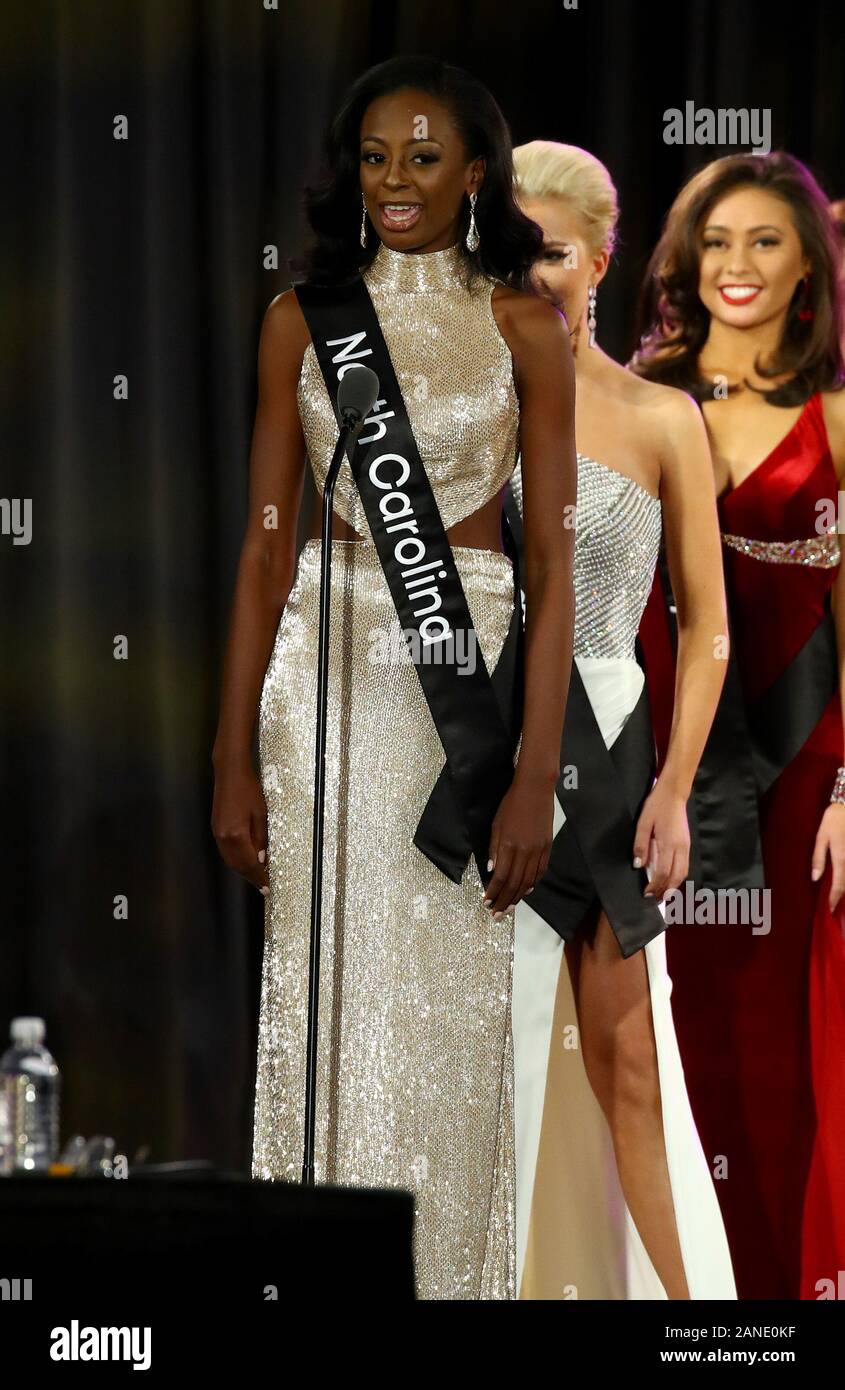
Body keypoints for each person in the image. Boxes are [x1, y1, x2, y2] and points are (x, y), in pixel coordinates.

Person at [210, 57, 576, 1301]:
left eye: (424, 158)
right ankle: (315, 1291)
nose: (395, 183)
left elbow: (553, 563)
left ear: (476, 172)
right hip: (323, 683)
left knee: (442, 1019)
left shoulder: (526, 324)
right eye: (374, 158)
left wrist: (534, 774)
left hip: (457, 673)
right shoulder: (300, 319)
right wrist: (231, 754)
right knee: (322, 1006)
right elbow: (265, 547)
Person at [508, 140, 737, 1299]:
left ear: (598, 259)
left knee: (628, 1063)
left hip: (609, 749)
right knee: (495, 1065)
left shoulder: (660, 418)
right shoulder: (461, 413)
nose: (528, 272)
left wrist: (670, 790)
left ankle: (687, 1319)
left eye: (549, 252)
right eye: (507, 250)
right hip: (486, 753)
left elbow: (706, 630)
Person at [631, 150, 845, 1300]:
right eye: (716, 242)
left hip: (805, 778)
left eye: (764, 240)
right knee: (685, 1039)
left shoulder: (835, 414)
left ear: (807, 261)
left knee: (787, 1057)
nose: (736, 265)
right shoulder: (640, 396)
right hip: (667, 770)